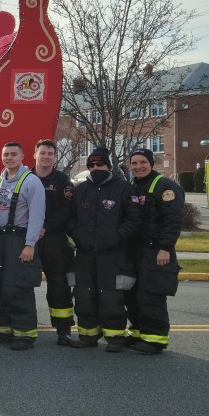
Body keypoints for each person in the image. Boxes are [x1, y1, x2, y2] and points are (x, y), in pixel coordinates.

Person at [68, 146, 141, 352]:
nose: (96, 168)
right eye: (91, 165)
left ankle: (115, 338)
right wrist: (77, 236)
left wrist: (115, 238)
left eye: (100, 164)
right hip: (84, 253)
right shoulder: (80, 190)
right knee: (83, 295)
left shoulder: (125, 189)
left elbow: (133, 219)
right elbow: (70, 218)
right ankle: (88, 335)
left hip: (113, 253)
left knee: (111, 296)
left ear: (108, 166)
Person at [0, 142, 46, 350]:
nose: (9, 158)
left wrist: (30, 245)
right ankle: (1, 329)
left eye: (13, 154)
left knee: (16, 287)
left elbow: (37, 215)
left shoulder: (32, 182)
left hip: (19, 241)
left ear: (23, 156)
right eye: (5, 154)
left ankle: (25, 335)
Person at [123, 148, 184, 355]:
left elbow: (173, 221)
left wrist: (165, 248)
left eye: (143, 162)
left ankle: (156, 340)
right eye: (134, 163)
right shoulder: (133, 186)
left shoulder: (165, 187)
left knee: (151, 295)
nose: (138, 167)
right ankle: (138, 332)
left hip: (156, 250)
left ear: (152, 163)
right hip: (135, 251)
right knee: (132, 294)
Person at [33, 138, 77, 346]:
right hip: (28, 240)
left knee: (58, 283)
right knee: (20, 283)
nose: (46, 157)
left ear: (55, 157)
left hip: (53, 239)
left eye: (50, 153)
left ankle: (63, 329)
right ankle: (22, 324)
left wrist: (46, 227)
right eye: (42, 153)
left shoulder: (62, 181)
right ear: (35, 155)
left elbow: (67, 210)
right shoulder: (25, 177)